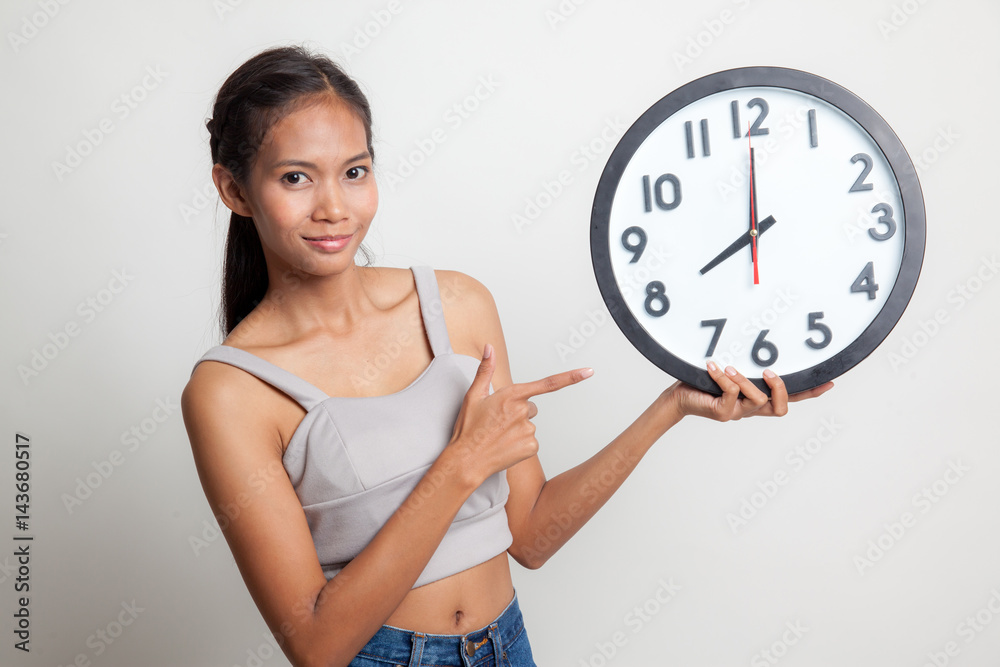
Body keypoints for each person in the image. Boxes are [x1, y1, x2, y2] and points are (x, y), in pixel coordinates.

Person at [181, 44, 833, 667]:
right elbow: (318, 646)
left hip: (507, 644)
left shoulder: (456, 303)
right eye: (296, 178)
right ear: (234, 190)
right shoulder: (230, 390)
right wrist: (462, 462)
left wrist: (672, 407)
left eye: (355, 172)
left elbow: (531, 536)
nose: (333, 207)